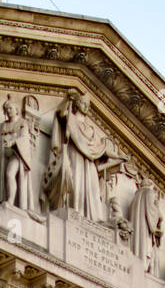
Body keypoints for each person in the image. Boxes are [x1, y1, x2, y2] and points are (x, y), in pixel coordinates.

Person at [41, 90, 112, 221]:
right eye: (83, 103)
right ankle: (75, 210)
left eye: (88, 104)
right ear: (77, 103)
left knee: (91, 188)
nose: (86, 106)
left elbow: (100, 148)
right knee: (76, 181)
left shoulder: (90, 129)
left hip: (89, 162)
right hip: (75, 157)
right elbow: (60, 113)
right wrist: (67, 99)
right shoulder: (70, 118)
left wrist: (118, 157)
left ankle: (90, 217)